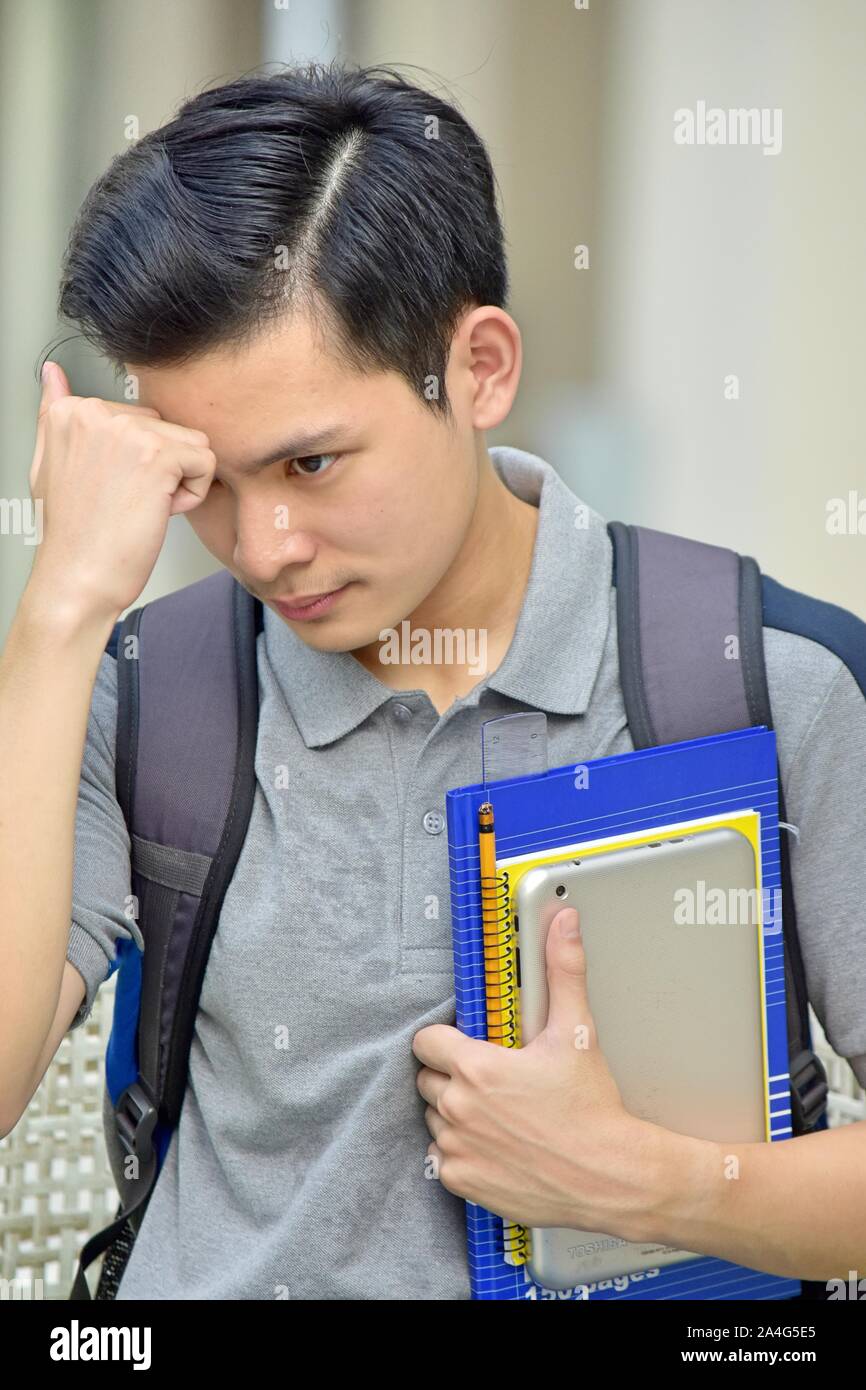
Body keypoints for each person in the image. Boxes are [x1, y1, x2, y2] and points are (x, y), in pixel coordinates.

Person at [1, 62, 864, 1300]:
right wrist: (61, 606)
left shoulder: (770, 682)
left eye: (311, 462)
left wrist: (645, 1183)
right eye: (208, 486)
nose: (263, 547)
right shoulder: (140, 697)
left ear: (478, 367)